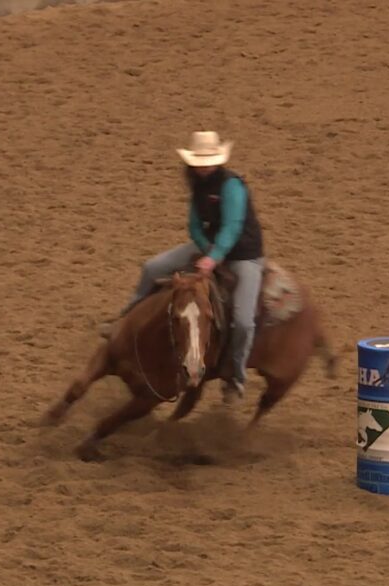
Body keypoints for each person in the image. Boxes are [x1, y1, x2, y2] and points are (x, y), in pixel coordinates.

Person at [99, 131, 265, 403]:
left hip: (244, 256)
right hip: (210, 247)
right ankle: (124, 319)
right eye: (199, 162)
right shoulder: (197, 184)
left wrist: (214, 256)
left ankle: (235, 377)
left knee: (244, 321)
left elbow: (234, 227)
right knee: (153, 268)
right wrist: (206, 248)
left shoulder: (232, 186)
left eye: (207, 161)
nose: (203, 166)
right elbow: (194, 226)